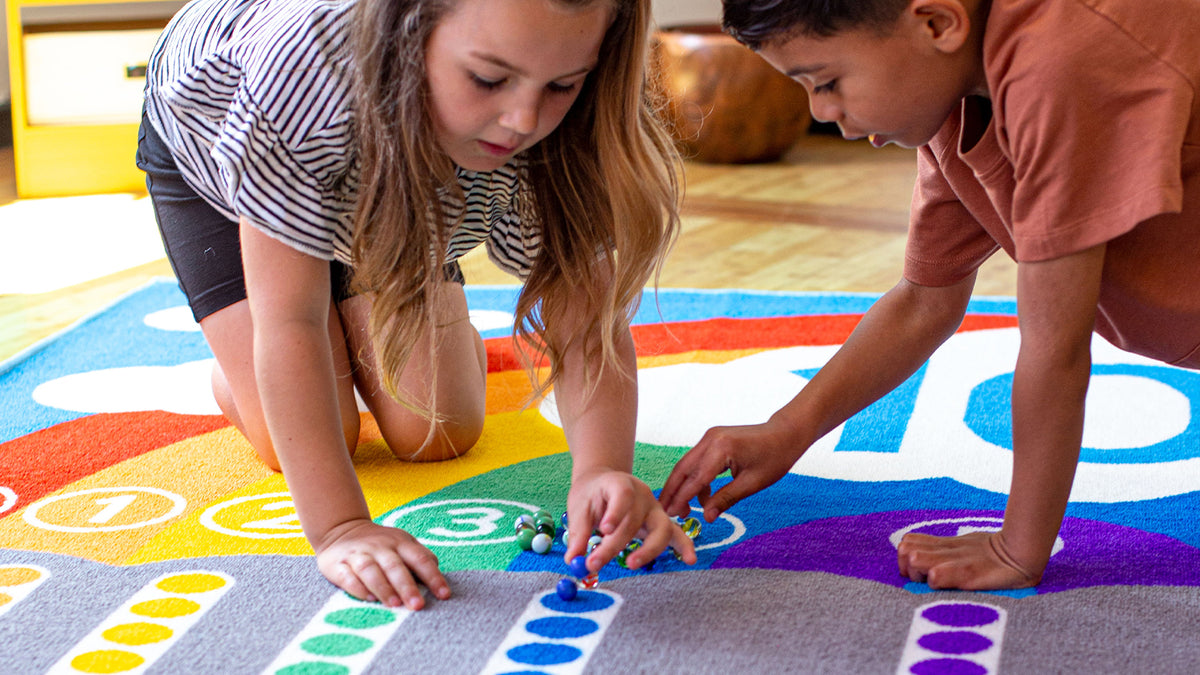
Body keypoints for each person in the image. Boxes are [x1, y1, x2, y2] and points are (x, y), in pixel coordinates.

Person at [137, 0, 697, 611]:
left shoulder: (563, 101)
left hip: (409, 169)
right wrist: (340, 529)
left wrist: (601, 470)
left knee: (436, 430)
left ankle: (347, 304)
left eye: (561, 85)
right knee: (296, 434)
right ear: (410, 27)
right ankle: (244, 362)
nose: (522, 118)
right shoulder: (299, 76)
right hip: (226, 147)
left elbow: (584, 310)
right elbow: (290, 322)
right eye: (487, 78)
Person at [659, 0, 1200, 590]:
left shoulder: (1061, 63)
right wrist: (789, 429)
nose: (821, 111)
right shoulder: (950, 98)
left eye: (828, 81)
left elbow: (1055, 349)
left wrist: (1017, 549)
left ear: (937, 23)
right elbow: (924, 300)